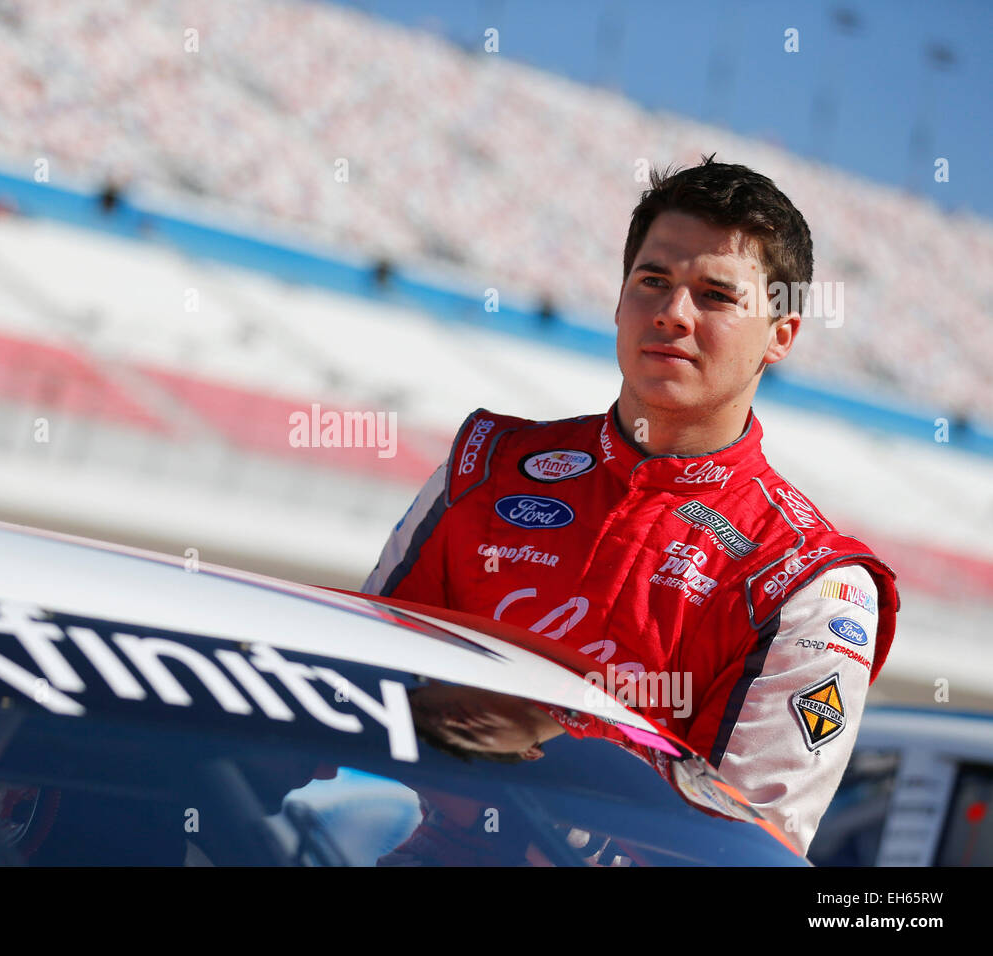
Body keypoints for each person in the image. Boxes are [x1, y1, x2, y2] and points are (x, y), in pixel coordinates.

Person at [360, 155, 898, 856]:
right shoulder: (484, 465)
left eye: (715, 295)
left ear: (781, 336)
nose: (673, 314)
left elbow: (744, 845)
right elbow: (351, 689)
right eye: (653, 282)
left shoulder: (810, 580)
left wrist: (549, 747)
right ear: (619, 303)